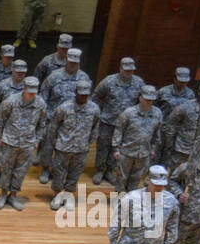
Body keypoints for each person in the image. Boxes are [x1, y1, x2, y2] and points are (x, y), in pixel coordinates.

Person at [36, 48, 90, 183]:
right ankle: (45, 169)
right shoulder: (54, 76)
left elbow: (87, 100)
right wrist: (45, 117)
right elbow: (43, 98)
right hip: (52, 118)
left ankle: (58, 171)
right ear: (66, 60)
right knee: (48, 146)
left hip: (73, 121)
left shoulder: (84, 78)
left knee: (65, 149)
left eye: (75, 63)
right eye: (71, 62)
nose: (73, 65)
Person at [0, 76, 47, 211]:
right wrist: (0, 137)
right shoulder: (10, 102)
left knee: (20, 171)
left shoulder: (40, 104)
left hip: (28, 144)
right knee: (6, 169)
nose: (32, 95)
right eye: (29, 92)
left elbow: (42, 124)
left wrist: (38, 140)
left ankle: (13, 195)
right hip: (10, 142)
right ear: (23, 89)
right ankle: (3, 194)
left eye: (34, 92)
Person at [46, 79, 99, 211]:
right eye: (81, 94)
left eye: (86, 94)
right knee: (59, 172)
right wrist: (56, 143)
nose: (83, 96)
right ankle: (57, 195)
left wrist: (87, 143)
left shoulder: (94, 109)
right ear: (75, 92)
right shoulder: (64, 108)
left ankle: (69, 195)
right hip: (63, 147)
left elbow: (95, 129)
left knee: (75, 173)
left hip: (81, 149)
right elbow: (53, 127)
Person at [91, 57, 144, 184]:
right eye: (126, 70)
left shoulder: (139, 83)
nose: (128, 72)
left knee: (117, 148)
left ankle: (110, 170)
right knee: (103, 146)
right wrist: (98, 114)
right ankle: (99, 170)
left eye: (131, 70)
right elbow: (96, 97)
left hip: (126, 124)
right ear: (120, 68)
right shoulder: (109, 81)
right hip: (107, 121)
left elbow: (140, 101)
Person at [111, 85, 163, 193]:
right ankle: (119, 199)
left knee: (136, 179)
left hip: (144, 153)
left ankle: (131, 199)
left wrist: (153, 149)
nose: (149, 101)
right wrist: (116, 149)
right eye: (146, 99)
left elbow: (157, 133)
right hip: (126, 152)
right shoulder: (129, 112)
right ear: (140, 98)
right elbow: (119, 130)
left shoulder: (157, 113)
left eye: (151, 99)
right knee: (121, 178)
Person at [0, 60, 27, 184]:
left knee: (16, 151)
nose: (20, 74)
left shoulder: (28, 87)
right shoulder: (3, 86)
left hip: (20, 125)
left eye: (22, 72)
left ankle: (10, 174)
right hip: (2, 124)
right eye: (18, 71)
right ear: (13, 70)